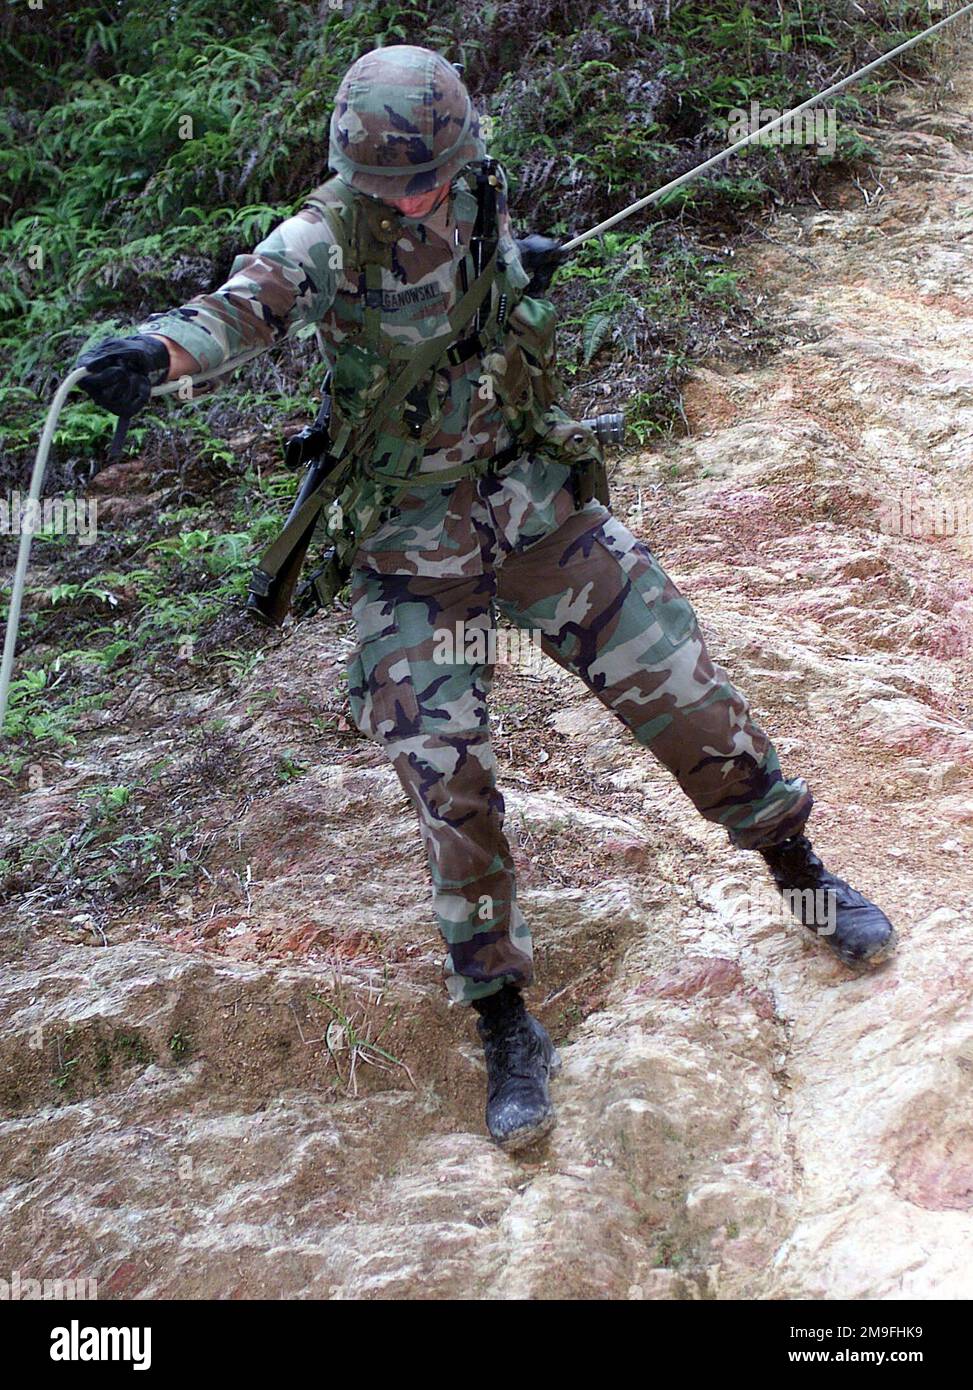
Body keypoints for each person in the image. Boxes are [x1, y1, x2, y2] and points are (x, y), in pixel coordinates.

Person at [75, 44, 897, 1153]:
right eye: (395, 182)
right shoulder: (320, 238)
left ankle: (802, 879)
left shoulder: (477, 185)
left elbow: (485, 272)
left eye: (429, 174)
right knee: (447, 781)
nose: (416, 195)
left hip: (536, 506)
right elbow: (237, 312)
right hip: (408, 546)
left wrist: (515, 274)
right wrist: (153, 354)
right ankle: (505, 1022)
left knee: (690, 699)